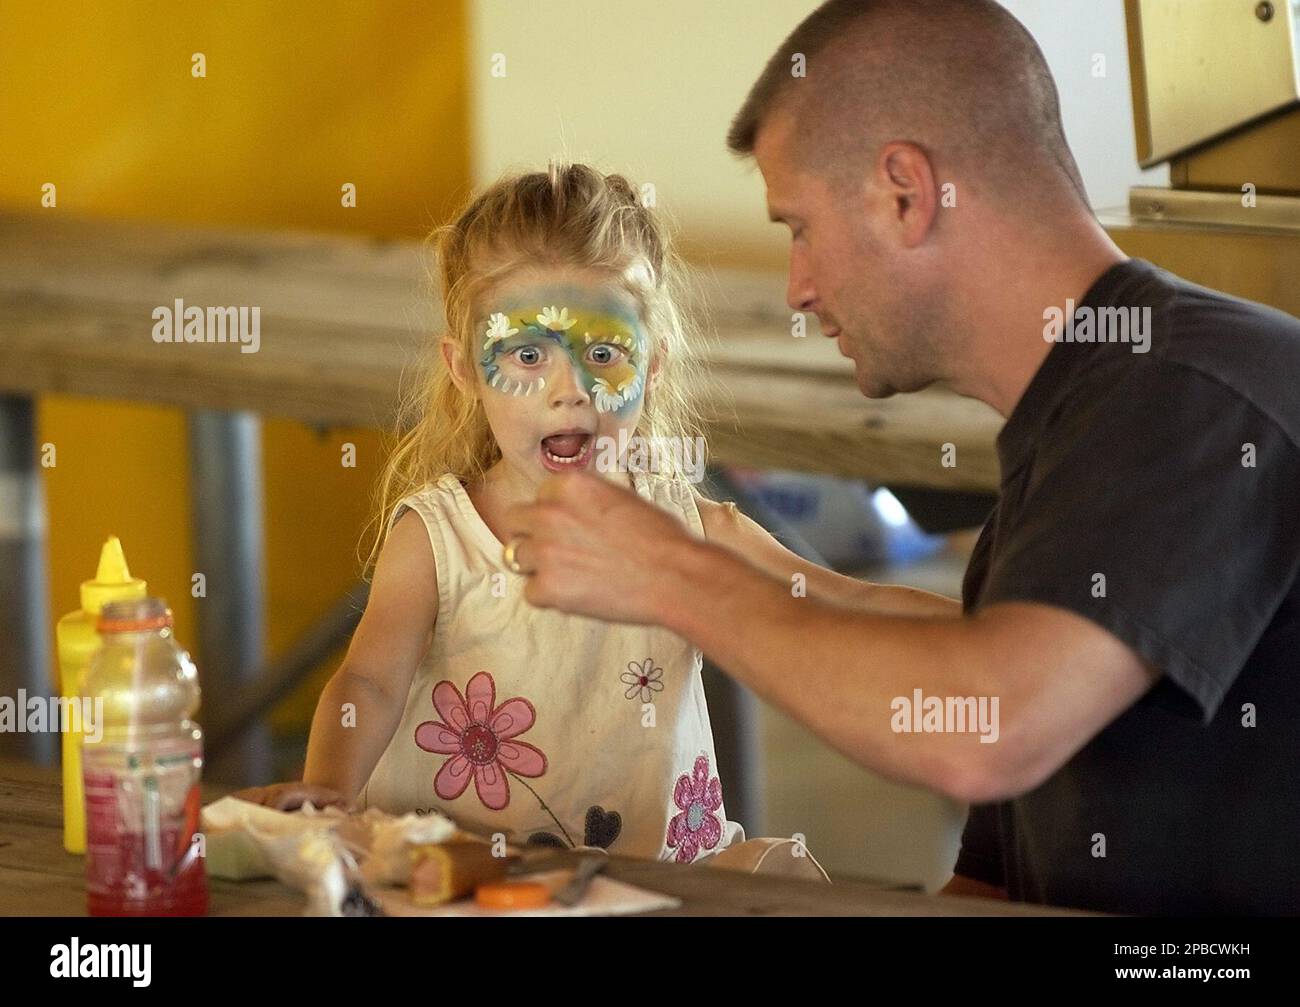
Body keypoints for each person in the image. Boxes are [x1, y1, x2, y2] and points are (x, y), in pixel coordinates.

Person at [498, 0, 1300, 913]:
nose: (798, 287)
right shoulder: (1065, 458)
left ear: (905, 193)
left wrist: (673, 574)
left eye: (799, 226)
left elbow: (984, 727)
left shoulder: (1200, 396)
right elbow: (992, 885)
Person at [235, 162, 833, 879]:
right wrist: (330, 790)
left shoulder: (684, 527)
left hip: (655, 883)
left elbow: (830, 602)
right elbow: (368, 680)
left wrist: (984, 624)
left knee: (787, 874)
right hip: (463, 882)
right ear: (463, 369)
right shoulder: (438, 540)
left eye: (605, 354)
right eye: (526, 355)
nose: (569, 393)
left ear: (655, 366)